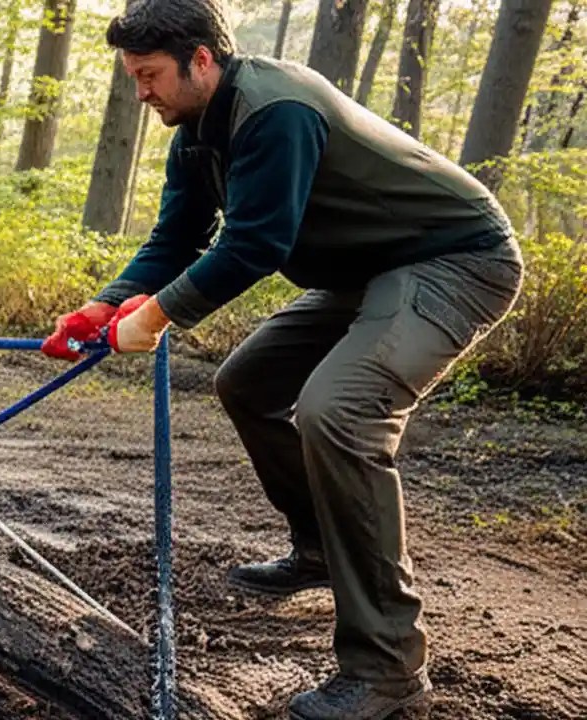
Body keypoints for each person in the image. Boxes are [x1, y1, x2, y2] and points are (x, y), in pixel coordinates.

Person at [41, 0, 524, 717]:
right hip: (368, 271)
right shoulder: (198, 132)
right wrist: (109, 303)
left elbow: (256, 245)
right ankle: (323, 551)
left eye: (148, 75)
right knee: (248, 381)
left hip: (454, 260)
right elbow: (176, 238)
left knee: (341, 410)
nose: (140, 92)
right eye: (133, 77)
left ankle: (389, 664)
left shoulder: (276, 111)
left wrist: (157, 315)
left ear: (201, 59)